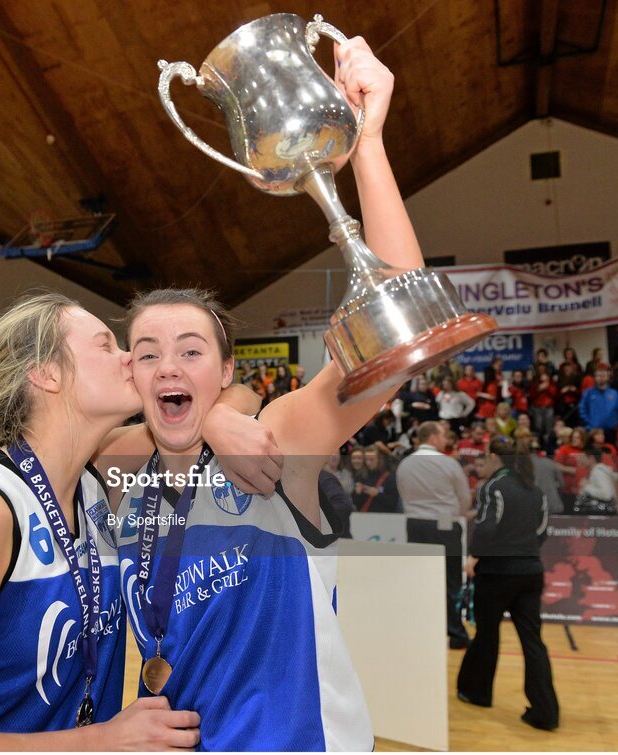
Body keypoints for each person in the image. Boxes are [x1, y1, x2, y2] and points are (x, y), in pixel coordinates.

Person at [112, 38, 426, 749]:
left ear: (226, 373)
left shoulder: (274, 443)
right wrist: (204, 428)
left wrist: (368, 144)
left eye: (191, 351)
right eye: (148, 353)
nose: (169, 366)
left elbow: (397, 331)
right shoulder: (116, 478)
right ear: (129, 375)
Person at [0, 292, 258, 749]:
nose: (129, 357)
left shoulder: (94, 477)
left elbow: (220, 395)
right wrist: (101, 741)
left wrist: (222, 416)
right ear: (47, 373)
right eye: (104, 346)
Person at [458, 440, 559, 731]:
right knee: (533, 642)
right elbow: (542, 532)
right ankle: (545, 712)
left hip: (498, 572)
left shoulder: (494, 487)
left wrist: (475, 556)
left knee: (487, 634)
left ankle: (477, 694)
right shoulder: (534, 489)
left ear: (493, 457)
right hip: (530, 571)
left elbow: (487, 527)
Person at [395, 421, 473, 649]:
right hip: (444, 525)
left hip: (415, 525)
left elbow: (403, 495)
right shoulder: (449, 464)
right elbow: (464, 500)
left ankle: (422, 629)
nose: (446, 439)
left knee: (420, 580)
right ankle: (455, 632)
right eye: (442, 435)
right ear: (433, 438)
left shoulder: (405, 465)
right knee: (450, 581)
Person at [579, 365, 618, 444]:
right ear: (595, 377)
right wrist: (589, 423)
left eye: (603, 375)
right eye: (598, 375)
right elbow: (582, 409)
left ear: (608, 377)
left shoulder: (614, 393)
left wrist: (615, 423)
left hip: (610, 430)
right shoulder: (589, 393)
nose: (600, 378)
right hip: (594, 430)